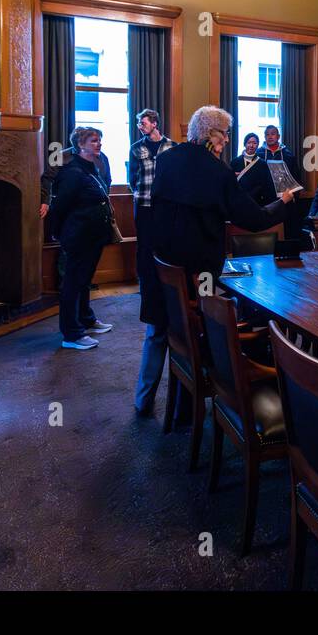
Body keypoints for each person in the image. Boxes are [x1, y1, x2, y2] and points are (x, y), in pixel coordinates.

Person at [151, 105, 297, 288]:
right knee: (207, 309)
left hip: (165, 260)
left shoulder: (166, 159)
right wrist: (282, 202)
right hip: (201, 268)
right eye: (225, 133)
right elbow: (254, 219)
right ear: (211, 133)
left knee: (177, 310)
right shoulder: (219, 171)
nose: (227, 139)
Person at [46, 126, 116, 350]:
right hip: (78, 237)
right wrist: (59, 233)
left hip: (93, 236)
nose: (99, 144)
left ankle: (86, 319)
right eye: (94, 141)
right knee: (72, 284)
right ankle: (71, 334)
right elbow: (59, 207)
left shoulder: (91, 169)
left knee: (84, 281)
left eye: (99, 140)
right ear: (81, 145)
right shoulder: (73, 172)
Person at [128, 108, 175, 415]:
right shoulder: (136, 148)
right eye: (138, 123)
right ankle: (147, 279)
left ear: (154, 123)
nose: (140, 125)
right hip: (144, 206)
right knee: (147, 257)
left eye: (143, 122)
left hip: (166, 208)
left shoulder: (172, 147)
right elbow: (133, 176)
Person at [257, 123, 305, 238]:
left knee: (287, 231)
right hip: (266, 201)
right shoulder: (258, 155)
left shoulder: (288, 155)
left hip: (285, 199)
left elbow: (296, 177)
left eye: (273, 134)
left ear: (278, 136)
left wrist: (293, 195)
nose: (270, 136)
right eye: (267, 134)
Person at [232, 132, 274, 207]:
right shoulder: (235, 162)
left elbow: (265, 185)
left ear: (258, 145)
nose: (251, 146)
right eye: (249, 143)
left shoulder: (262, 164)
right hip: (238, 201)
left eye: (254, 143)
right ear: (244, 144)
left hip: (256, 202)